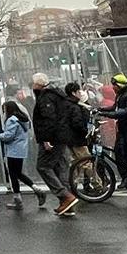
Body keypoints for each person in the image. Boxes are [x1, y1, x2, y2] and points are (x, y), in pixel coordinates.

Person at [31, 72, 81, 216]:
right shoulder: (58, 95)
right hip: (62, 137)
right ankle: (67, 205)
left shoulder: (45, 97)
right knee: (61, 169)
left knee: (43, 166)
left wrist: (46, 139)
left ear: (38, 84)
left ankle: (65, 196)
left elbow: (48, 119)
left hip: (53, 138)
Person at [0, 100, 47, 209]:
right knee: (18, 173)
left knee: (13, 175)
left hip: (13, 151)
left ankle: (18, 199)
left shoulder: (11, 120)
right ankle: (36, 189)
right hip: (21, 151)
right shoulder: (22, 119)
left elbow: (8, 136)